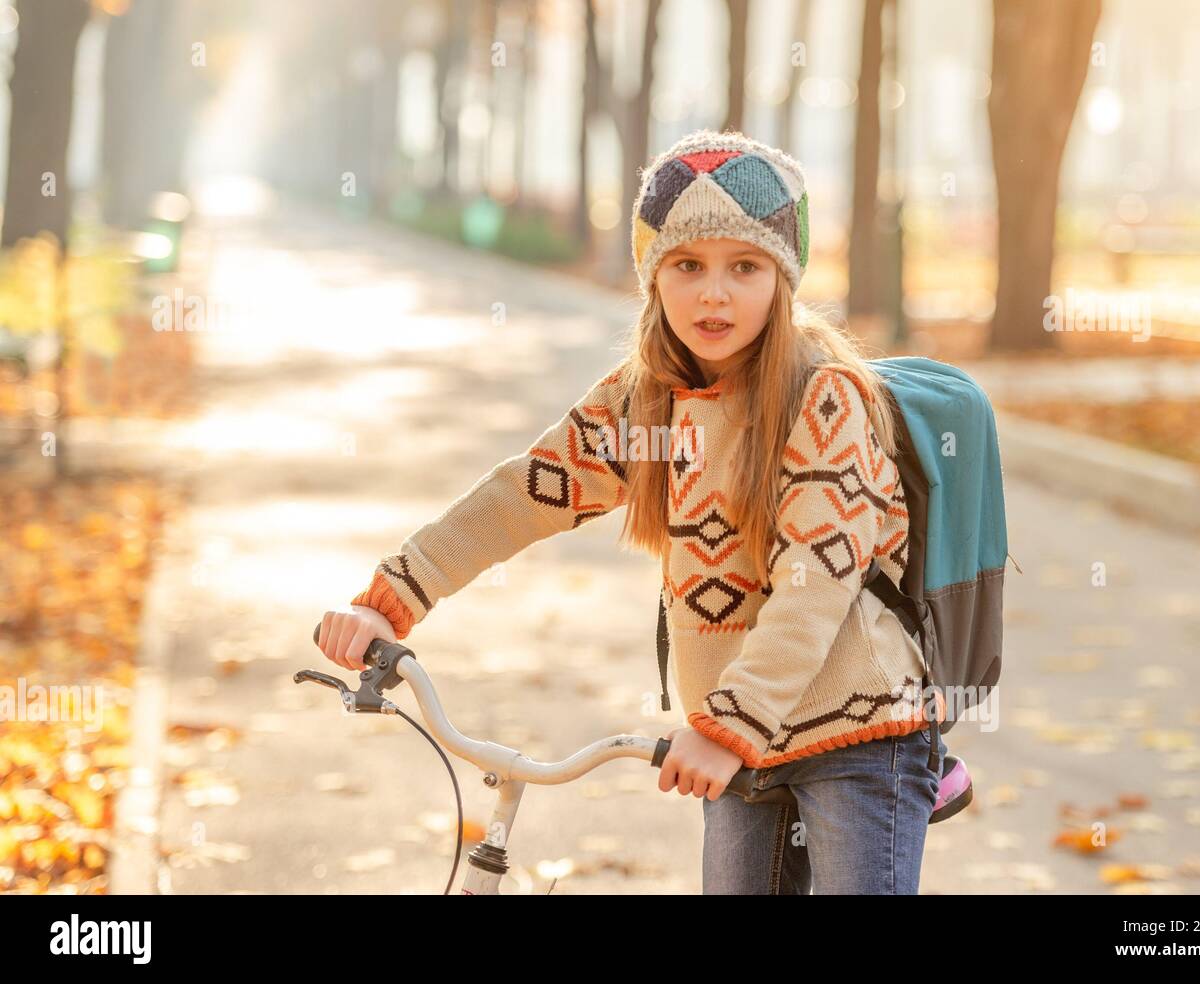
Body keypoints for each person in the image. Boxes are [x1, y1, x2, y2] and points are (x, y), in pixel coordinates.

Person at [317, 128, 952, 894]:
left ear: (782, 279)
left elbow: (818, 578)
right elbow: (525, 492)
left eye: (744, 267)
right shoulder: (646, 400)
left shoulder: (823, 396)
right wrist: (395, 596)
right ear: (654, 277)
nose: (713, 293)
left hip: (856, 732)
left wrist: (729, 727)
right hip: (736, 737)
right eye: (687, 266)